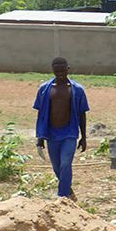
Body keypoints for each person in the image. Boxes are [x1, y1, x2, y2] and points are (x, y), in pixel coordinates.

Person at [33, 57, 89, 198]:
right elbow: (41, 115)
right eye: (56, 70)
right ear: (52, 70)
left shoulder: (77, 90)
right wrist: (40, 137)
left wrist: (84, 137)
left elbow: (82, 114)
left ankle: (62, 196)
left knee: (65, 164)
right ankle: (68, 190)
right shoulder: (44, 89)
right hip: (52, 134)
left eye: (62, 70)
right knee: (57, 167)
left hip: (69, 133)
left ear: (68, 69)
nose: (60, 73)